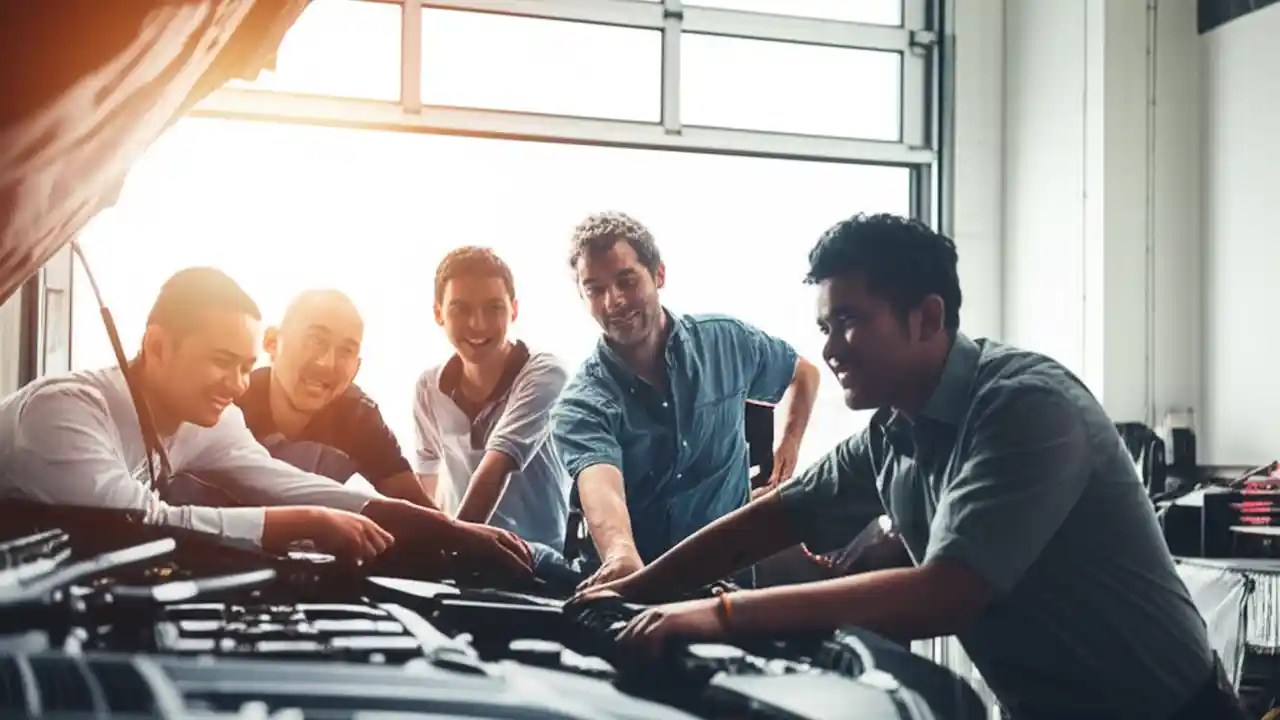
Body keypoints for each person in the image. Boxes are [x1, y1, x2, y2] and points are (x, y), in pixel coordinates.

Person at [574, 214, 1243, 720]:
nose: (831, 349)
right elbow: (772, 518)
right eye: (824, 328)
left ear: (927, 317)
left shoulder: (1025, 406)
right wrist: (631, 593)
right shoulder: (892, 431)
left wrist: (719, 615)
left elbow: (946, 592)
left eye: (849, 322)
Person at [0, 267, 532, 575]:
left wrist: (455, 530)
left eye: (244, 366)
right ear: (157, 346)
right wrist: (301, 524)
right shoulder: (64, 413)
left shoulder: (208, 420)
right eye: (220, 361)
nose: (236, 385)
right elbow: (137, 525)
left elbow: (299, 486)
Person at [552, 211, 821, 589]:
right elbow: (601, 487)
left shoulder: (727, 341)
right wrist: (620, 553)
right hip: (642, 590)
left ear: (658, 275)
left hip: (733, 586)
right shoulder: (581, 404)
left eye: (626, 281)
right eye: (595, 289)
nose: (613, 301)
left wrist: (788, 446)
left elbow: (804, 374)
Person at [413, 247, 571, 553]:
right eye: (460, 309)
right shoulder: (427, 387)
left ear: (514, 310)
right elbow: (425, 475)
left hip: (536, 560)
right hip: (463, 561)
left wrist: (450, 551)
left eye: (494, 308)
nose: (478, 324)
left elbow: (496, 466)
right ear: (438, 314)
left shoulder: (545, 373)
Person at [236, 289, 435, 507]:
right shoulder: (229, 400)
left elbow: (418, 509)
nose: (327, 364)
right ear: (272, 342)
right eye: (315, 340)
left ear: (356, 368)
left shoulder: (357, 415)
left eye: (346, 351)